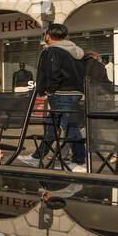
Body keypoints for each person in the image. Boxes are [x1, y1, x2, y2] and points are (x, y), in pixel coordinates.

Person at [17, 23, 87, 172]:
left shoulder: (52, 51)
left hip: (60, 94)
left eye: (46, 34)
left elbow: (53, 74)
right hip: (73, 93)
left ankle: (79, 162)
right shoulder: (75, 52)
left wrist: (49, 90)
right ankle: (37, 157)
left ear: (48, 35)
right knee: (51, 127)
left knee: (69, 128)